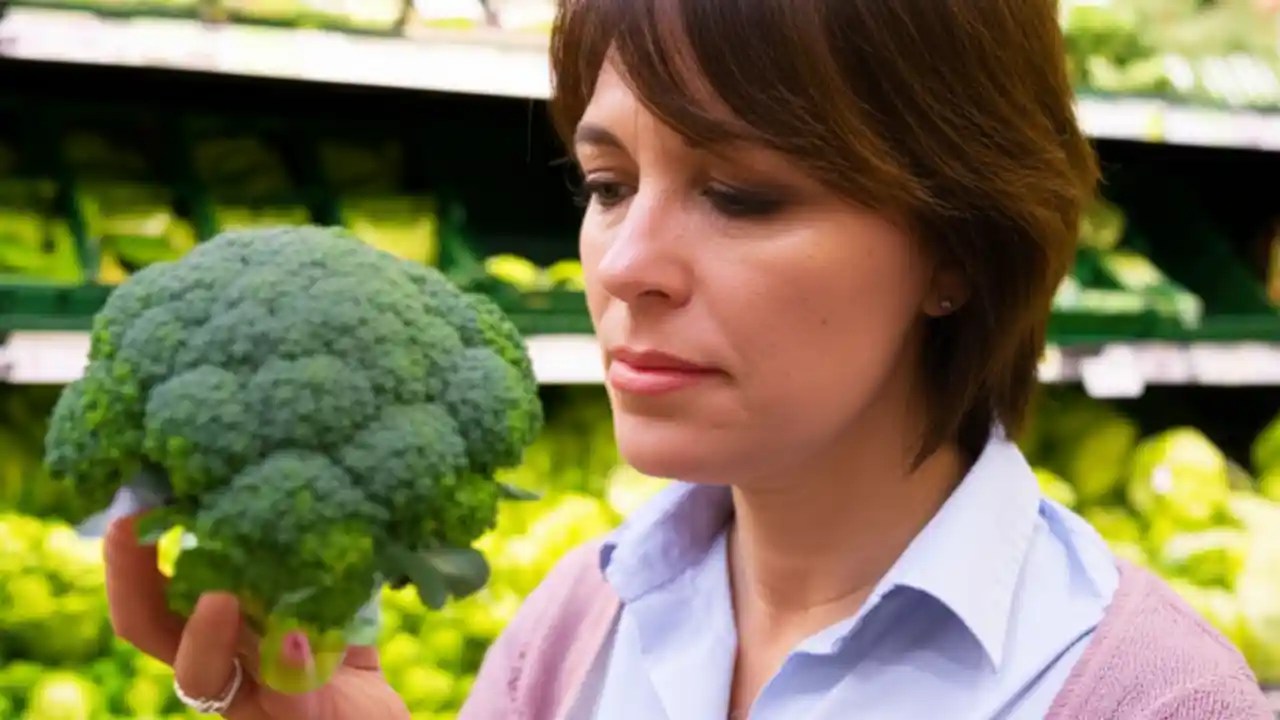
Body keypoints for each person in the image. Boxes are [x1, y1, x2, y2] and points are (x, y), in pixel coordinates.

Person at [102, 0, 1274, 718]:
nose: (625, 265)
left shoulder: (1149, 698)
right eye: (606, 185)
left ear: (955, 247)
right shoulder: (577, 621)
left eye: (741, 194)